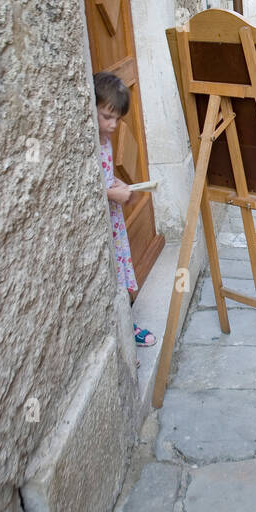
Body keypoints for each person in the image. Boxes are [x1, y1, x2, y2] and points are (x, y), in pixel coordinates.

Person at [94, 71, 156, 349]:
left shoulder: (105, 142)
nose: (113, 125)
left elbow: (104, 178)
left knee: (119, 277)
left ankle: (126, 329)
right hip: (100, 227)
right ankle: (122, 337)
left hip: (114, 222)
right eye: (107, 117)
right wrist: (110, 193)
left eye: (117, 119)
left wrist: (117, 186)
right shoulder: (89, 144)